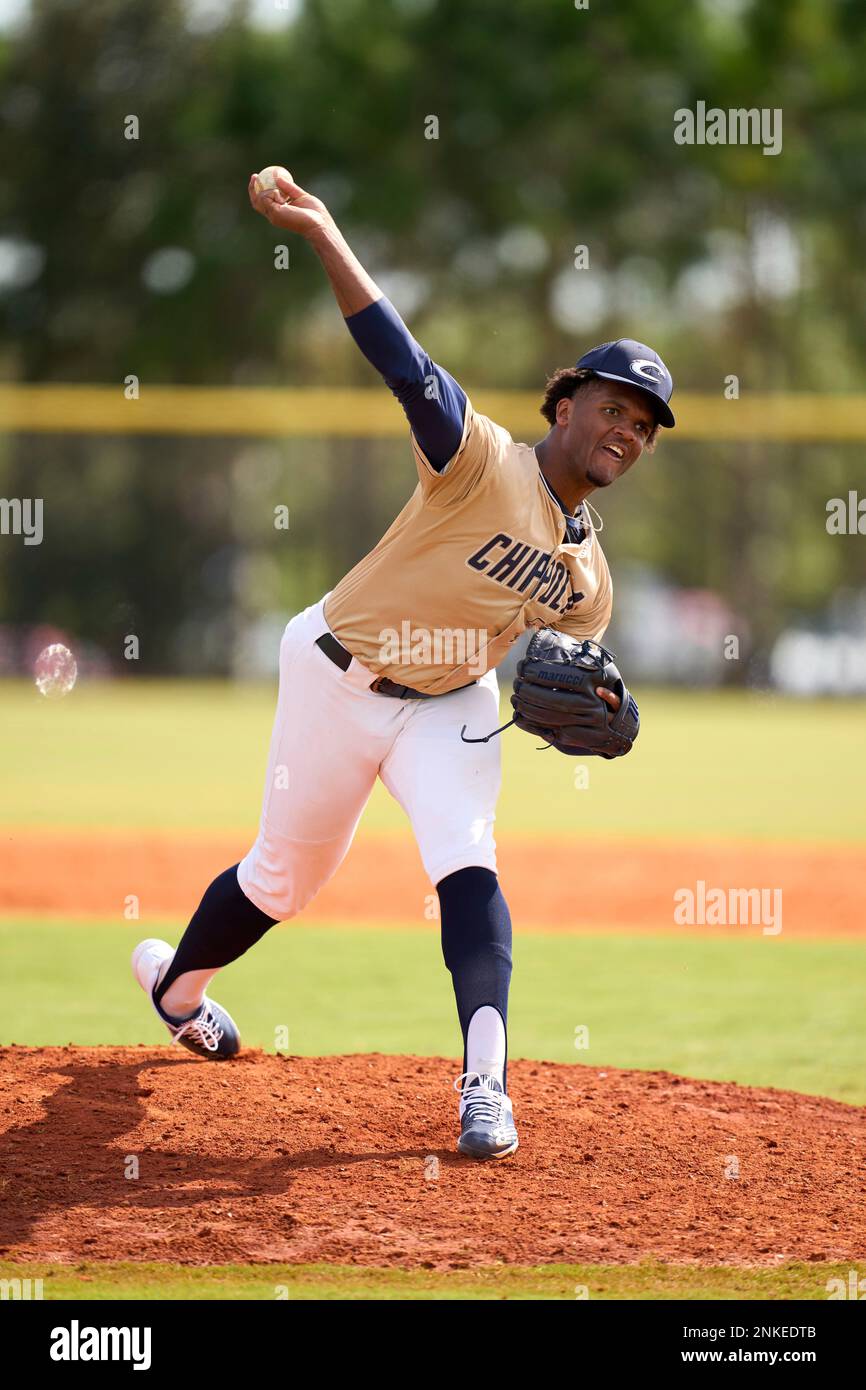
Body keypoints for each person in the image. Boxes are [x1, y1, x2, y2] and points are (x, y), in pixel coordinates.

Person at [132, 168, 675, 1161]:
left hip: (451, 708)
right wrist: (324, 227)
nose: (624, 434)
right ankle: (177, 989)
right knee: (283, 879)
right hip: (332, 672)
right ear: (566, 405)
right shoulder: (479, 459)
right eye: (612, 409)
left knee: (467, 864)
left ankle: (483, 1088)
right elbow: (399, 357)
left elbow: (566, 674)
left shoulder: (589, 579)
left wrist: (601, 713)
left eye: (641, 427)